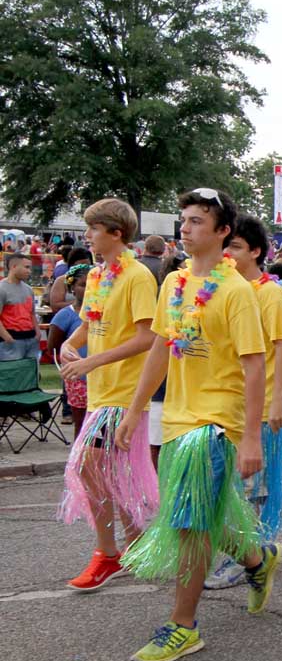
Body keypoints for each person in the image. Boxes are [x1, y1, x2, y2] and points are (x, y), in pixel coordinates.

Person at [114, 188, 278, 661]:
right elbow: (161, 348)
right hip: (179, 415)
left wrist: (250, 437)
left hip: (216, 421)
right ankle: (257, 559)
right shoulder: (175, 284)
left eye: (197, 222)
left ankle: (183, 626)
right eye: (183, 220)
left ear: (223, 232)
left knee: (189, 522)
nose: (185, 228)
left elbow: (253, 366)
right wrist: (135, 409)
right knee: (204, 513)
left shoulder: (236, 292)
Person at [205, 216, 282, 589]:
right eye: (225, 246)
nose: (227, 254)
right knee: (259, 480)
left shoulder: (268, 292)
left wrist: (278, 402)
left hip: (262, 403)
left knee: (248, 485)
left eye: (235, 247)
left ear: (255, 252)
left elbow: (281, 345)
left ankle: (248, 557)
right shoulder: (220, 287)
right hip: (227, 403)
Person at [55, 199, 161, 594]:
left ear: (116, 233)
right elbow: (89, 322)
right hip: (102, 393)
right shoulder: (99, 275)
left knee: (86, 468)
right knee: (113, 474)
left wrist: (91, 360)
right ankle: (135, 545)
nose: (87, 236)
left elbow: (147, 337)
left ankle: (108, 553)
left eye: (93, 229)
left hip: (123, 394)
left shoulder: (136, 276)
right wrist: (72, 343)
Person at [48, 263, 92, 437]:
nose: (88, 289)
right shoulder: (66, 315)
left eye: (91, 284)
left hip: (101, 375)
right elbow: (53, 345)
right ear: (72, 288)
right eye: (82, 285)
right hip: (78, 378)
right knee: (81, 425)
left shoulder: (102, 312)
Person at [0, 253, 39, 362]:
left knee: (30, 373)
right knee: (12, 374)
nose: (29, 271)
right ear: (13, 267)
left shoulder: (28, 289)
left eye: (30, 267)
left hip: (31, 338)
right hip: (12, 340)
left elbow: (31, 314)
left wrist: (37, 333)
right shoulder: (2, 289)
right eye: (26, 267)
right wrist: (7, 338)